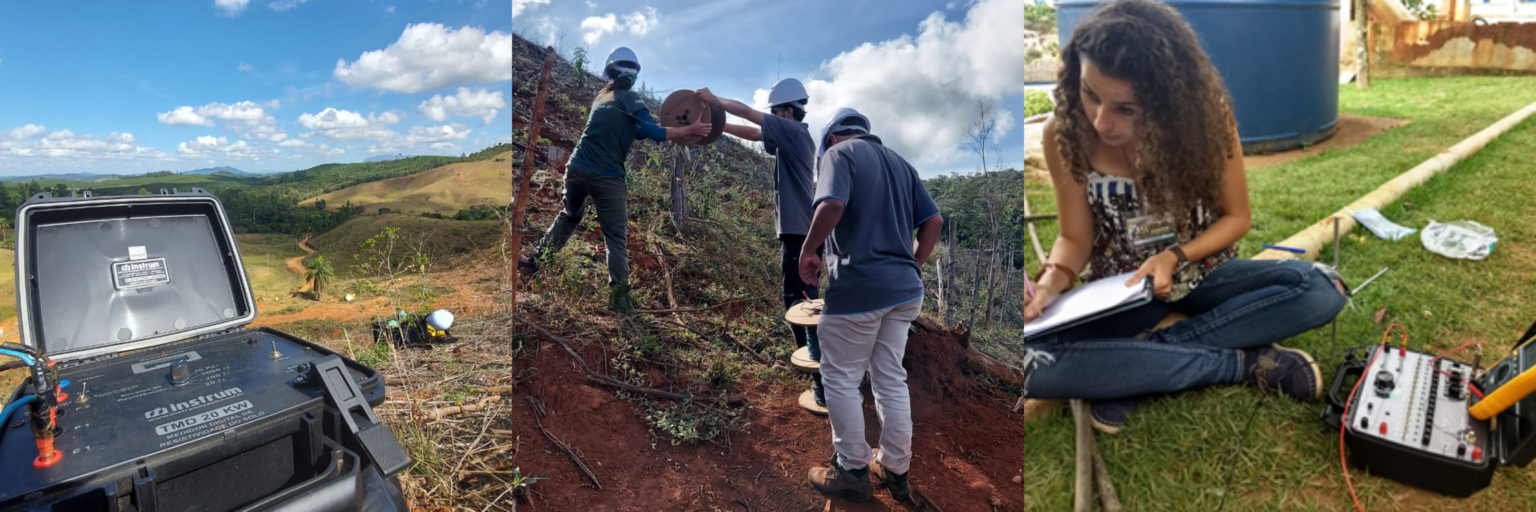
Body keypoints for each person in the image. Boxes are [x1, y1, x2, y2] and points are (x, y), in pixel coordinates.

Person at [1022, 0, 1349, 434]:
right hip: (1122, 291)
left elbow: (1237, 218)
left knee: (1322, 289)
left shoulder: (1206, 118)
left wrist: (1174, 257)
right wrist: (1048, 283)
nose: (1102, 121)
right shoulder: (1062, 133)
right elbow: (1075, 240)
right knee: (1028, 362)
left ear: (1169, 102)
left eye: (1127, 108)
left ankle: (1139, 362)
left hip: (1202, 273)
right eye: (1090, 94)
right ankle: (1239, 364)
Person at [799, 108, 943, 503]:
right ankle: (895, 469)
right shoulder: (902, 164)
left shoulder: (838, 156)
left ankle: (851, 470)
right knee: (889, 378)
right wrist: (911, 264)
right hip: (905, 293)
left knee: (842, 378)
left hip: (859, 289)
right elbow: (934, 221)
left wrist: (808, 250)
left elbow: (830, 206)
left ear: (831, 138)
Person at [519, 47, 710, 313]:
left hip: (576, 167)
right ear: (633, 74)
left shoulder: (602, 97)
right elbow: (653, 132)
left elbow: (639, 131)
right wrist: (690, 130)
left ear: (609, 72)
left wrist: (674, 130)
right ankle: (619, 301)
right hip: (606, 176)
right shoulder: (631, 97)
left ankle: (535, 262)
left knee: (569, 215)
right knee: (615, 239)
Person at [694, 80, 827, 408]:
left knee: (800, 300)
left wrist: (714, 101)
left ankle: (815, 364)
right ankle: (817, 360)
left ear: (787, 112)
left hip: (800, 232)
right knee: (802, 297)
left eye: (777, 112)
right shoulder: (792, 137)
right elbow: (754, 133)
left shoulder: (794, 132)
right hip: (800, 231)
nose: (773, 118)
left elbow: (746, 111)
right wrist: (719, 127)